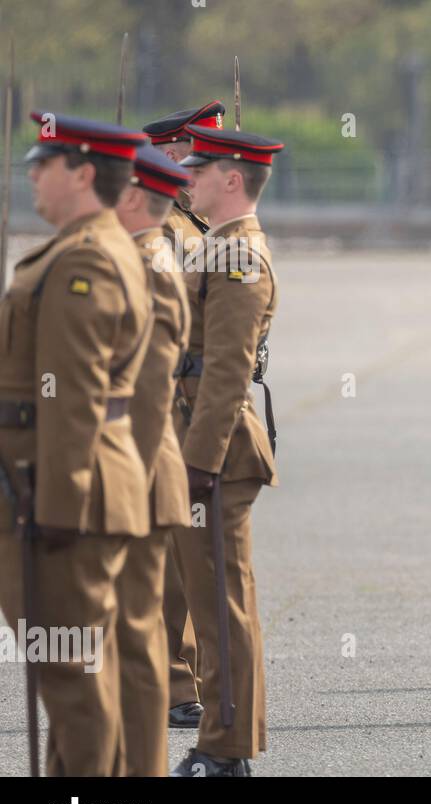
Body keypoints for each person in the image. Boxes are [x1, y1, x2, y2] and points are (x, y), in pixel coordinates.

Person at [0, 113, 151, 775]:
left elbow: (73, 395)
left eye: (45, 162)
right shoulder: (79, 247)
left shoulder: (85, 257)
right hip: (55, 489)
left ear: (85, 172)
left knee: (71, 676)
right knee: (70, 675)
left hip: (60, 496)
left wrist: (56, 509)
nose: (32, 173)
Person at [169, 124, 283, 776]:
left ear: (231, 179)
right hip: (196, 448)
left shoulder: (238, 255)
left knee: (220, 608)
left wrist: (196, 463)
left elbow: (225, 371)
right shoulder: (217, 248)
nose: (188, 176)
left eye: (199, 168)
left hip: (215, 456)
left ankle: (226, 748)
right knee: (214, 607)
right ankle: (223, 738)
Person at [142, 99, 226, 730]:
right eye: (203, 156)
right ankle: (171, 682)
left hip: (203, 403)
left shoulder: (199, 226)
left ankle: (183, 672)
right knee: (176, 555)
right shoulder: (166, 230)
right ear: (173, 156)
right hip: (173, 408)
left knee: (194, 551)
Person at [112, 145, 193, 775]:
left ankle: (179, 685)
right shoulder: (159, 240)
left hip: (164, 426)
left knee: (171, 576)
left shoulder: (169, 239)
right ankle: (178, 683)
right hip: (161, 424)